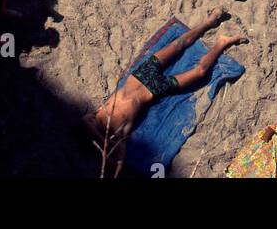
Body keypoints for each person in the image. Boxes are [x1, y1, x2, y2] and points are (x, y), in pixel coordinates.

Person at [86, 10, 247, 174]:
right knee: (199, 72)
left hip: (141, 75)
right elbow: (118, 165)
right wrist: (106, 148)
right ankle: (222, 43)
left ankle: (209, 21)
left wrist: (101, 141)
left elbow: (84, 121)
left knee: (178, 44)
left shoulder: (97, 117)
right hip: (155, 88)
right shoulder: (119, 138)